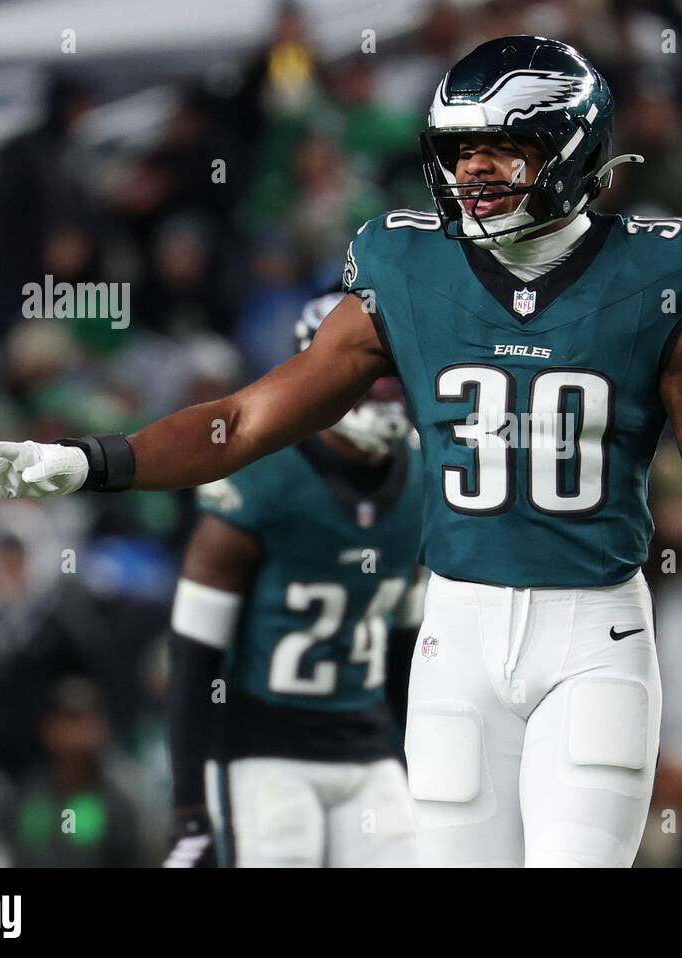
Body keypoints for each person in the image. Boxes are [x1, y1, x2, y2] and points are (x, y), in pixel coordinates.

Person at [0, 36, 682, 867]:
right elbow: (248, 420)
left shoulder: (656, 276)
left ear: (567, 149)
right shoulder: (408, 267)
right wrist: (89, 459)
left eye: (502, 149)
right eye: (461, 150)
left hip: (594, 635)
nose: (473, 172)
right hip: (455, 636)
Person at [164, 292, 424, 868]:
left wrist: (419, 762)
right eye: (367, 373)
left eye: (392, 372)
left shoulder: (422, 481)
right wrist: (187, 807)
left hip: (368, 749)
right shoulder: (264, 479)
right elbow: (192, 658)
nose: (384, 388)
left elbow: (409, 654)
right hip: (265, 752)